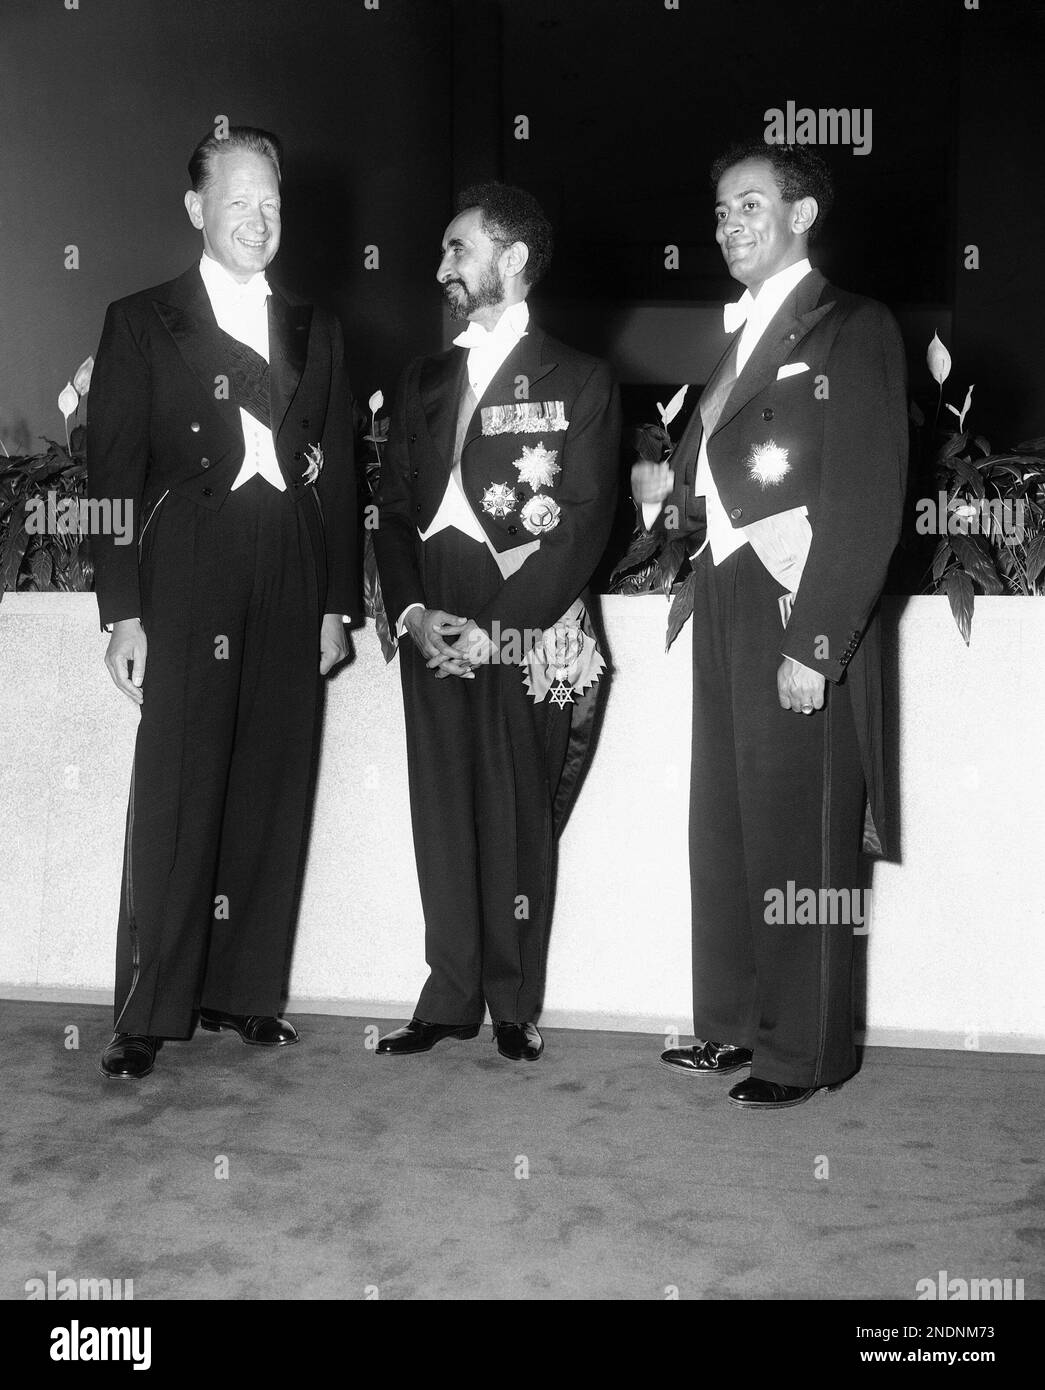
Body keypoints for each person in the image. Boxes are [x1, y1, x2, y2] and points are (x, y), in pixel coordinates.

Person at [634, 141, 907, 1109]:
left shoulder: (851, 326)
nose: (726, 224)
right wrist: (664, 497)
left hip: (799, 606)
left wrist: (817, 640)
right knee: (729, 821)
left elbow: (868, 499)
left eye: (749, 205)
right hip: (725, 591)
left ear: (801, 217)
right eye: (717, 211)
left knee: (803, 834)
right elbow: (730, 478)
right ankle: (735, 1025)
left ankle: (802, 1050)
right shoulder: (737, 340)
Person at [87, 126, 359, 1080]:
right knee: (178, 787)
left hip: (288, 561)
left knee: (272, 779)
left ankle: (242, 991)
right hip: (188, 565)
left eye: (272, 203)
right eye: (239, 201)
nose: (259, 219)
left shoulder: (316, 330)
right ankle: (146, 1008)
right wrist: (122, 609)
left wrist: (334, 601)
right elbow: (110, 473)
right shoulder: (140, 320)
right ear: (198, 209)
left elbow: (339, 483)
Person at [374, 182, 620, 1061]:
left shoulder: (580, 377)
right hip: (431, 603)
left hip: (525, 607)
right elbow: (392, 511)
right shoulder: (423, 377)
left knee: (515, 808)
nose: (441, 266)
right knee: (439, 803)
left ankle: (513, 1003)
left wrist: (504, 627)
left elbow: (586, 519)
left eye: (457, 249)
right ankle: (447, 995)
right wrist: (407, 609)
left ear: (510, 260)